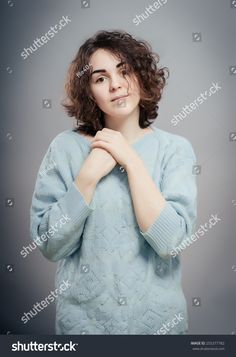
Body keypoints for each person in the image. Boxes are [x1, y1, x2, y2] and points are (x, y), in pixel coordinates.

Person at [30, 30, 197, 335]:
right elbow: (50, 245)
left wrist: (130, 160)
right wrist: (86, 178)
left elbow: (170, 242)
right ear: (89, 90)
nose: (116, 84)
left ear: (142, 77)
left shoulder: (176, 150)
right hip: (84, 329)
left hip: (159, 329)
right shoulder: (65, 148)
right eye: (100, 78)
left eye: (124, 71)